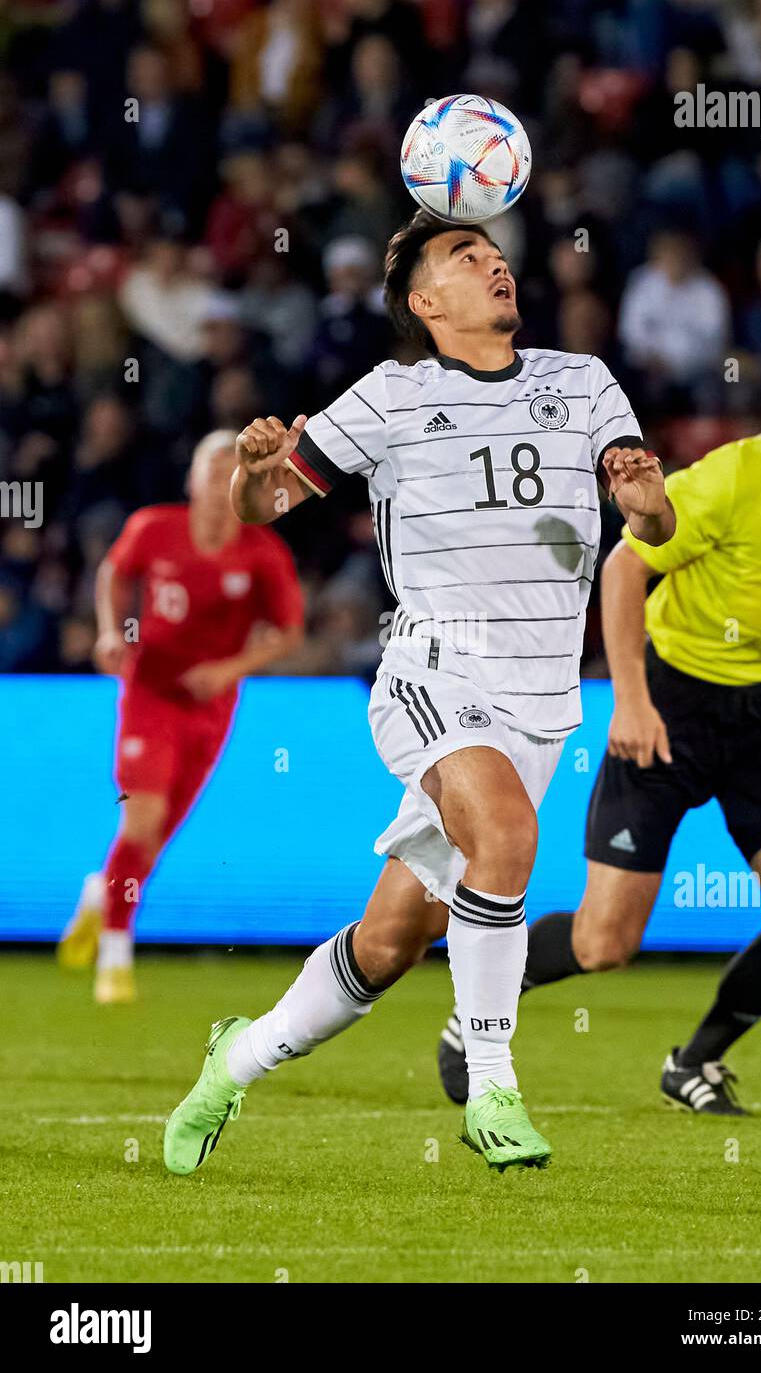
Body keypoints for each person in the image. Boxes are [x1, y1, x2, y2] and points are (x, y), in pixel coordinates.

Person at [163, 210, 674, 1178]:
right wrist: (252, 470)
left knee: (392, 938)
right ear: (423, 303)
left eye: (492, 253)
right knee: (509, 839)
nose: (492, 265)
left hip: (538, 696)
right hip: (431, 671)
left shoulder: (584, 381)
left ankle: (234, 1057)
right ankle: (491, 1084)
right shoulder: (393, 395)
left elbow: (648, 522)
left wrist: (645, 498)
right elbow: (264, 507)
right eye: (462, 258)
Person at [438, 318, 761, 1115]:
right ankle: (482, 999)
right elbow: (626, 564)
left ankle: (694, 1062)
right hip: (669, 696)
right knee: (606, 943)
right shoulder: (742, 474)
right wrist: (630, 701)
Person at [57, 429, 304, 1002]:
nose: (220, 485)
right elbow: (114, 573)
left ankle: (102, 892)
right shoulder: (154, 528)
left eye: (230, 473)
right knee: (140, 823)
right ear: (191, 480)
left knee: (158, 833)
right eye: (211, 472)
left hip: (212, 707)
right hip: (151, 692)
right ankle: (115, 956)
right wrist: (110, 632)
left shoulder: (262, 551)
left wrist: (232, 668)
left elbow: (289, 632)